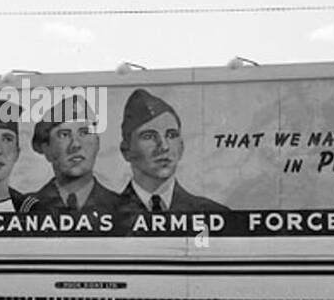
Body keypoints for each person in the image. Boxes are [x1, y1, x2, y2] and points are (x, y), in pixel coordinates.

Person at [115, 88, 230, 219]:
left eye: (171, 135)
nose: (164, 146)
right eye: (149, 136)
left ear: (181, 147)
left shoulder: (214, 215)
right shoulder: (105, 216)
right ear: (126, 151)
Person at [29, 93, 118, 220]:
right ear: (47, 149)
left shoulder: (123, 207)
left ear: (97, 143)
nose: (75, 145)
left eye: (85, 133)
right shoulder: (28, 208)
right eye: (64, 135)